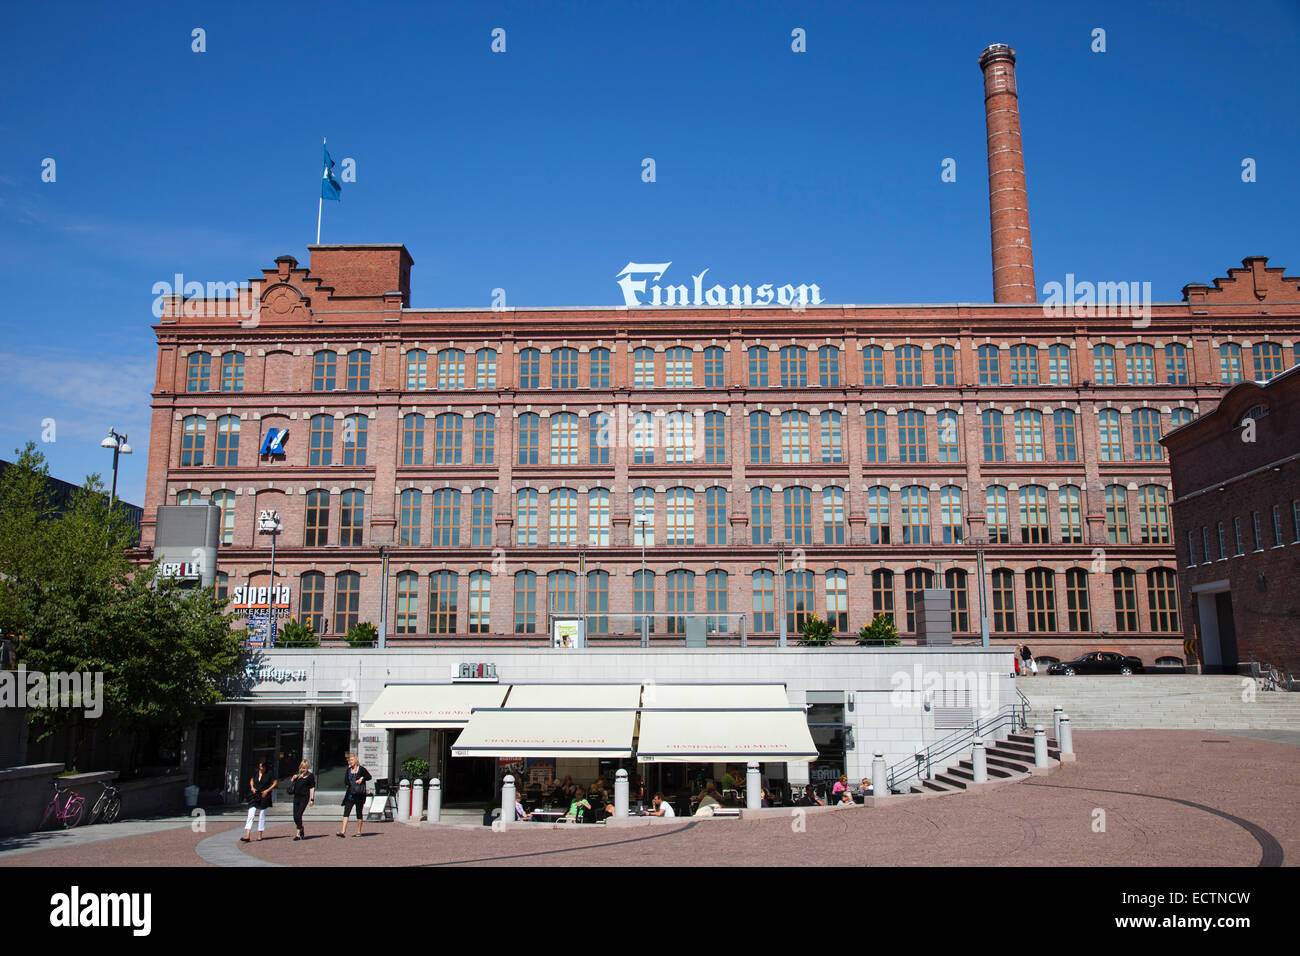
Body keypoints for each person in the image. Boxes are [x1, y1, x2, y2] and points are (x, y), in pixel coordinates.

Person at [337, 752, 372, 838]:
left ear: (355, 760)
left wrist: (361, 778)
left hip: (359, 794)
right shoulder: (348, 770)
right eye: (349, 760)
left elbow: (369, 777)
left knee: (359, 812)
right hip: (351, 794)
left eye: (352, 760)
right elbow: (346, 781)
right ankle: (342, 831)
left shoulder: (361, 769)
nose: (350, 761)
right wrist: (351, 783)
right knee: (346, 812)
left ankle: (359, 832)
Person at [242, 760, 276, 842]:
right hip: (255, 795)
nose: (261, 768)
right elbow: (252, 780)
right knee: (251, 813)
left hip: (264, 795)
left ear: (265, 767)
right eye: (260, 767)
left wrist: (267, 791)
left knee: (262, 815)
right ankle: (247, 835)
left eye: (263, 767)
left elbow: (274, 783)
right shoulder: (256, 773)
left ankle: (260, 834)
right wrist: (252, 787)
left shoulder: (269, 774)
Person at [289, 759, 316, 841]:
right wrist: (293, 779)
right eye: (301, 768)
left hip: (304, 797)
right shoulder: (297, 776)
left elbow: (312, 788)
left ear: (307, 768)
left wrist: (312, 799)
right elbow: (292, 785)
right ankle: (301, 828)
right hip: (296, 797)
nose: (302, 770)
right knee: (295, 817)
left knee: (299, 815)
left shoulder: (310, 776)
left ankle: (297, 834)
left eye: (304, 768)